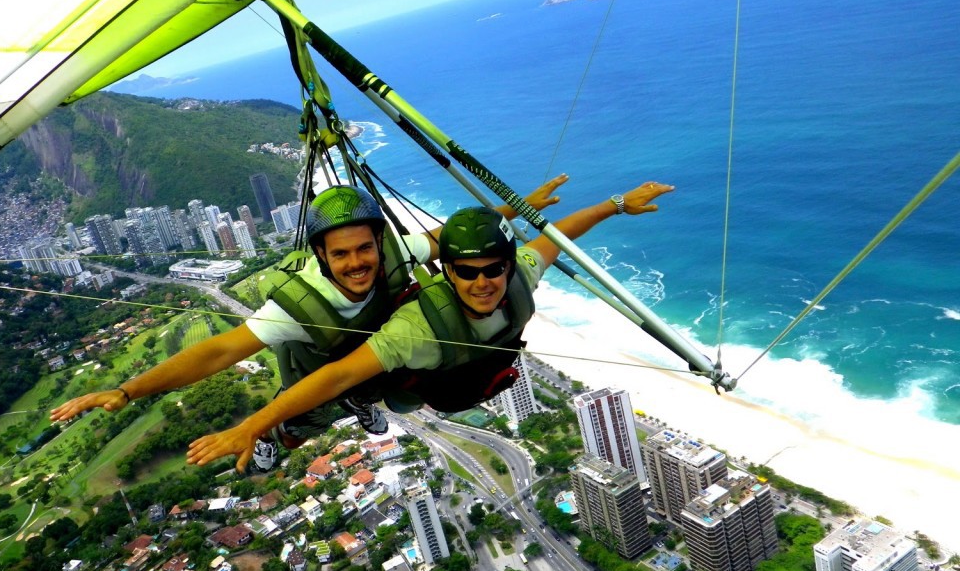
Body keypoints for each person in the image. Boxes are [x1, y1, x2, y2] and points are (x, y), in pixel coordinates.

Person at [50, 178, 569, 470]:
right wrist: (129, 390)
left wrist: (513, 213)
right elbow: (218, 351)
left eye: (365, 248)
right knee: (303, 424)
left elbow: (449, 241)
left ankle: (361, 401)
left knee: (399, 382)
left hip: (369, 363)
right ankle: (279, 435)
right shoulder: (298, 304)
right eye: (340, 254)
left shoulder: (392, 253)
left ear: (379, 242)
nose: (357, 263)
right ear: (321, 256)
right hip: (320, 372)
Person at [186, 180, 674, 473]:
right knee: (336, 409)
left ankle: (354, 404)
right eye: (466, 272)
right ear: (447, 272)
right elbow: (336, 375)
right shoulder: (415, 327)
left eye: (493, 269)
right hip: (420, 383)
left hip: (471, 379)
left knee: (377, 391)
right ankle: (294, 433)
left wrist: (615, 204)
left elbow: (558, 236)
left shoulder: (520, 275)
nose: (482, 283)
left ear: (509, 265)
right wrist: (253, 425)